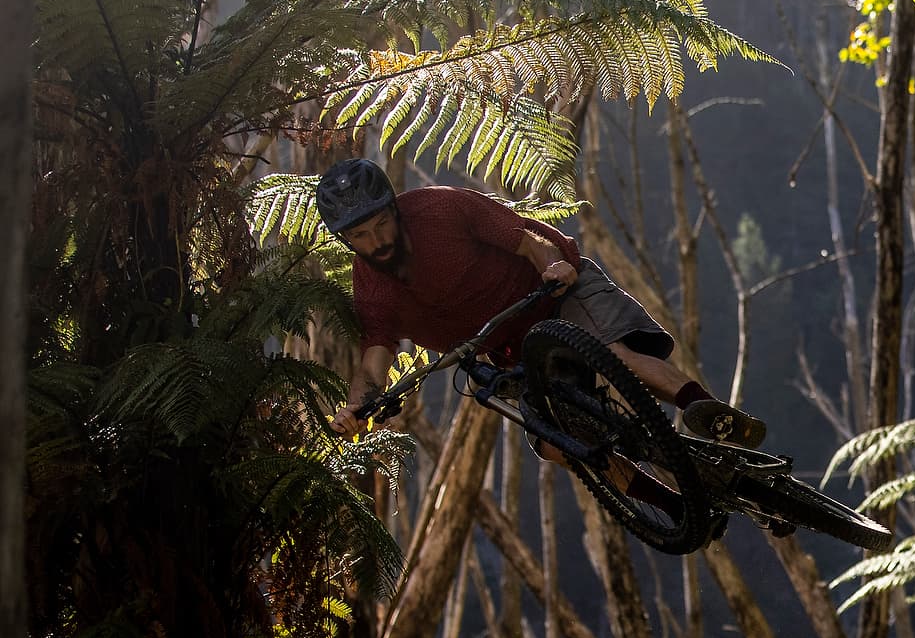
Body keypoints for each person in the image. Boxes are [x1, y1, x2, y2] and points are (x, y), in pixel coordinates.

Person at [318, 158, 765, 451]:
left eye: (381, 225)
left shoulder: (441, 209)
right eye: (361, 236)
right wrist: (358, 408)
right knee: (558, 444)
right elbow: (373, 364)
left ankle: (711, 414)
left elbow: (525, 240)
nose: (376, 242)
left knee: (611, 353)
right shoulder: (371, 289)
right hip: (512, 348)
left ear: (394, 209)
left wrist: (554, 267)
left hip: (553, 295)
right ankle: (672, 504)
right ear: (345, 239)